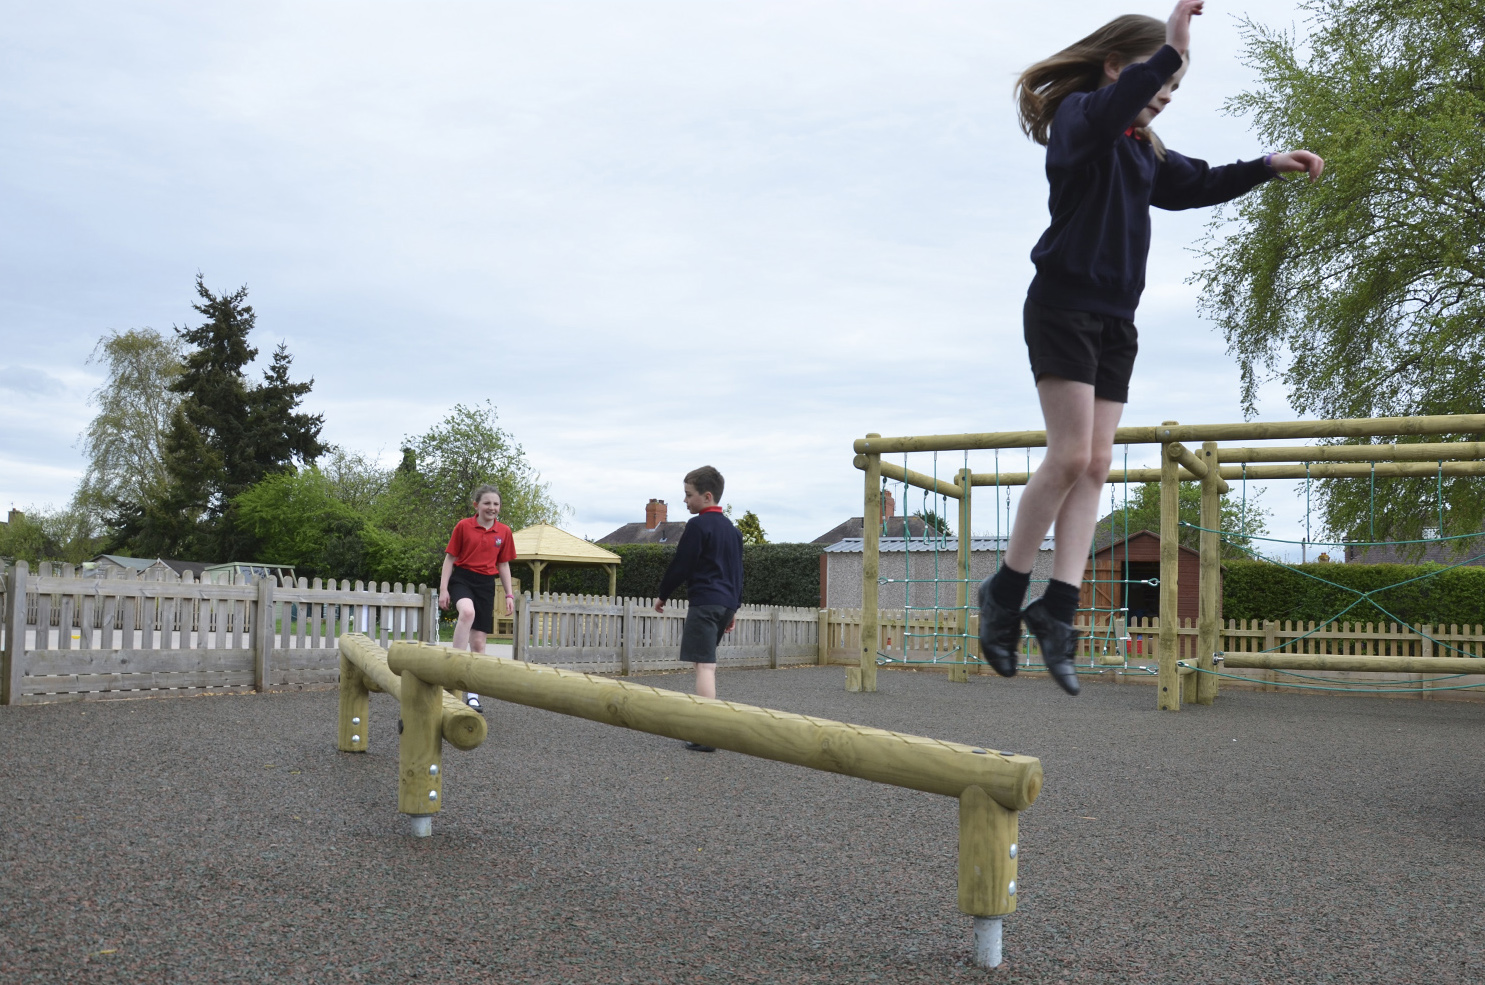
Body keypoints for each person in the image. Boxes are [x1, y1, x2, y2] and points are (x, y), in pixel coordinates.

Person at [978, 0, 1323, 695]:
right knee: (1070, 453)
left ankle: (1058, 608)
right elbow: (1110, 111)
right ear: (1114, 68)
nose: (1164, 94)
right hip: (1063, 307)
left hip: (1115, 321)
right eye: (1157, 80)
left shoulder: (1143, 149)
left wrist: (1265, 164)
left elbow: (1195, 184)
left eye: (1174, 88)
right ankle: (1005, 589)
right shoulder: (1079, 123)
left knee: (1097, 463)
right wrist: (1171, 44)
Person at [654, 465, 744, 752]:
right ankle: (707, 731)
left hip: (705, 602)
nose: (685, 500)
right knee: (705, 663)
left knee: (705, 666)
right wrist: (734, 609)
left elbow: (682, 564)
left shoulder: (698, 526)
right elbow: (737, 573)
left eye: (688, 495)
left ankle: (706, 734)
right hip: (725, 602)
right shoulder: (733, 531)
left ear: (706, 496)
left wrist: (663, 595)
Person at [439, 484, 517, 711]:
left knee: (479, 644)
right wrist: (444, 590)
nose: (492, 508)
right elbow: (449, 559)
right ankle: (453, 664)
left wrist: (509, 594)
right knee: (467, 612)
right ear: (476, 505)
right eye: (487, 503)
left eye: (495, 504)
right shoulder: (464, 526)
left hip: (485, 585)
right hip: (462, 579)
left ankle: (473, 696)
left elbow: (503, 564)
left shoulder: (504, 532)